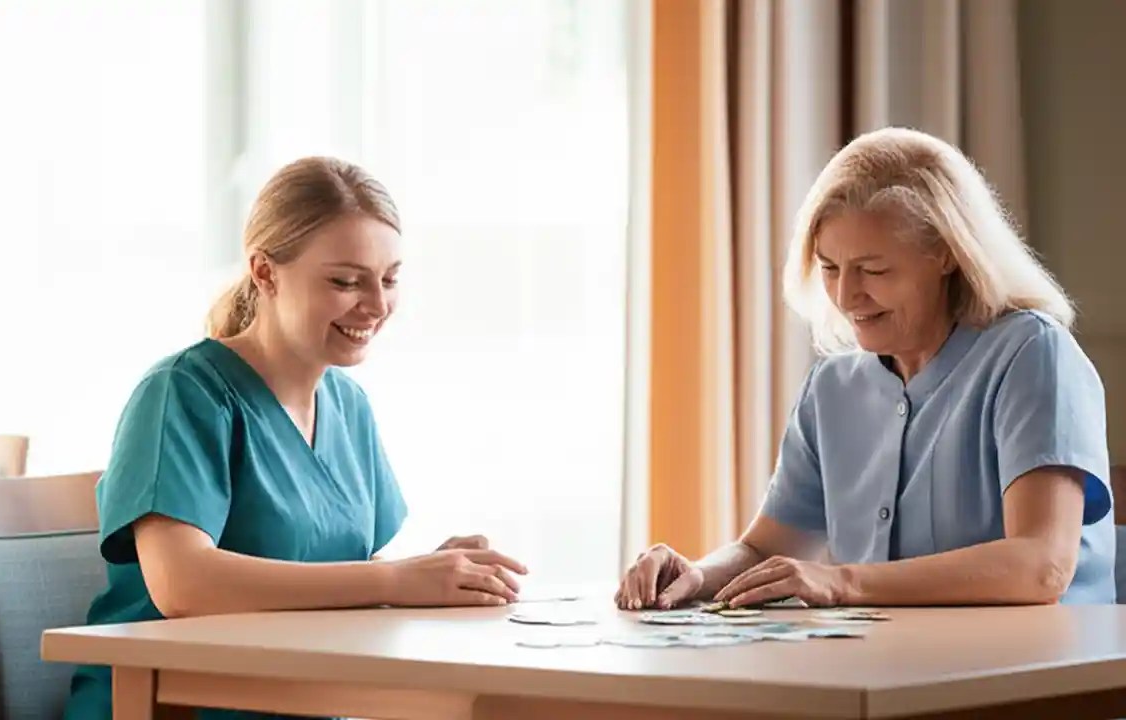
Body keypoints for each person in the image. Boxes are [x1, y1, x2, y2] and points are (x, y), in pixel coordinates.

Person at [65, 157, 527, 720]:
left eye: (389, 278)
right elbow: (180, 584)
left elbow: (341, 571)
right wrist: (396, 580)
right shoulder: (184, 393)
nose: (377, 306)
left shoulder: (348, 407)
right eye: (344, 281)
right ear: (264, 272)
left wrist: (432, 575)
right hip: (172, 705)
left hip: (303, 702)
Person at [617, 127, 1114, 611]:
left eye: (873, 270)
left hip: (1038, 678)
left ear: (945, 252)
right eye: (830, 267)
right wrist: (697, 576)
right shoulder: (832, 386)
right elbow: (767, 549)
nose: (845, 296)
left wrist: (842, 582)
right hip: (888, 673)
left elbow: (1042, 565)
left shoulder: (1031, 354)